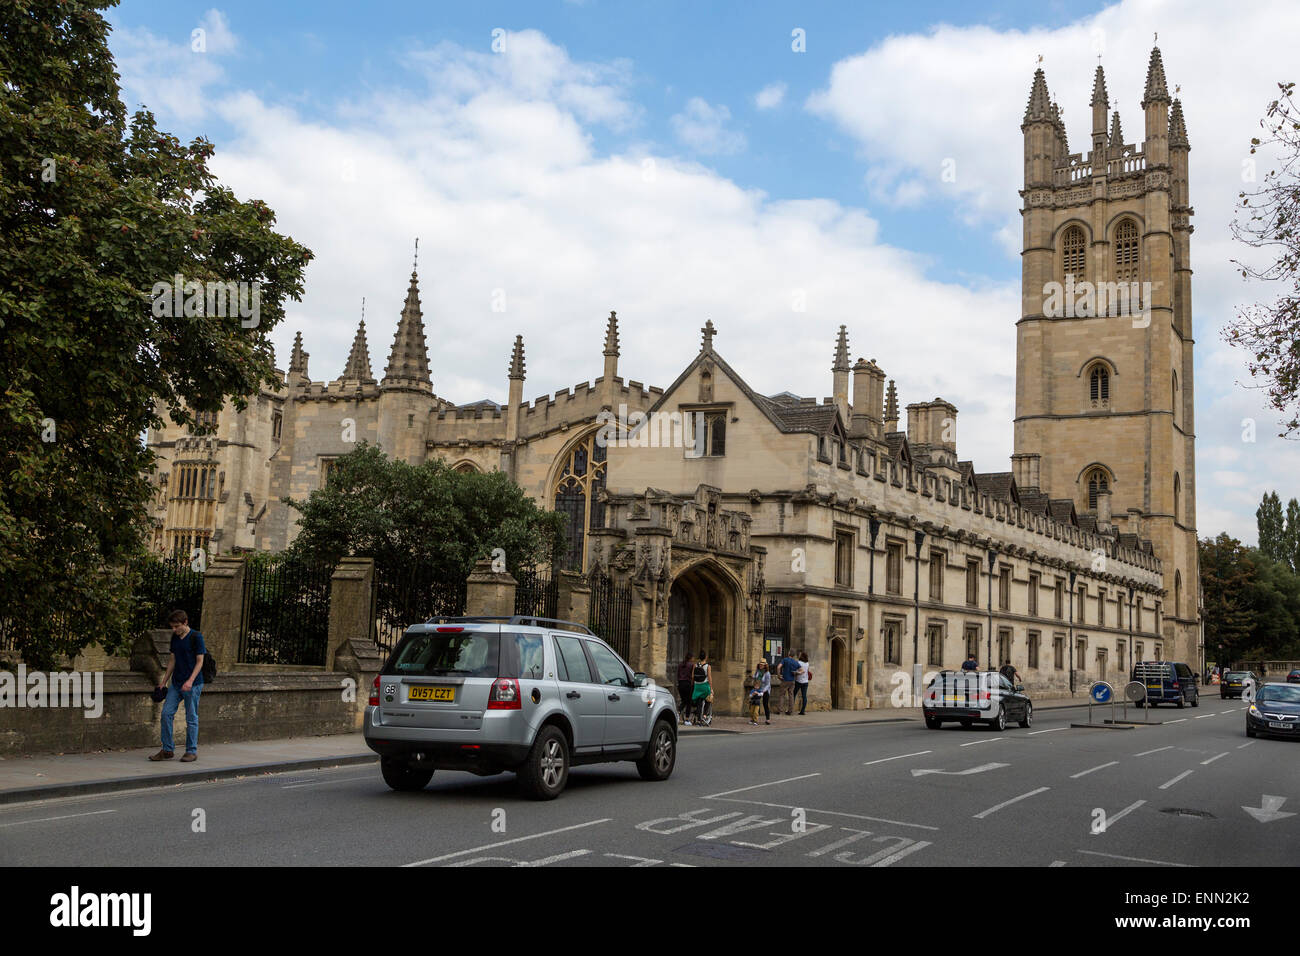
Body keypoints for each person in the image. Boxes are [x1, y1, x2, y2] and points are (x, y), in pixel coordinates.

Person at [150, 609, 206, 762]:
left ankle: (191, 751)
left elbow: (200, 661)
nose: (174, 630)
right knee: (166, 714)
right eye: (172, 627)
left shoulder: (196, 637)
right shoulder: (175, 638)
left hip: (193, 684)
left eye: (176, 626)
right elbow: (172, 660)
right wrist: (163, 682)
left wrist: (190, 681)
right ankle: (167, 749)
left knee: (191, 717)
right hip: (176, 683)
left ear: (185, 622)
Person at [691, 651, 712, 723]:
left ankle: (698, 719)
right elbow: (709, 678)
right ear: (706, 657)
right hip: (704, 686)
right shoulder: (708, 666)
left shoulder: (695, 665)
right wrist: (711, 688)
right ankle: (705, 715)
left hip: (697, 686)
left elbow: (693, 676)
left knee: (699, 702)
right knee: (708, 699)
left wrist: (693, 684)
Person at [778, 649, 800, 715]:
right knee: (791, 695)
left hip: (785, 680)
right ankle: (790, 711)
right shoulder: (796, 662)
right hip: (792, 681)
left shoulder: (785, 660)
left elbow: (778, 667)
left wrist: (779, 675)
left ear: (789, 653)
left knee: (782, 695)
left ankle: (780, 710)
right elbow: (802, 671)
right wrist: (796, 673)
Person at [749, 660, 771, 725]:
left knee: (765, 704)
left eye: (762, 665)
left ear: (765, 666)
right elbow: (755, 677)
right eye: (760, 664)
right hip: (758, 688)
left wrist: (763, 691)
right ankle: (755, 719)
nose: (760, 666)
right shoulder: (758, 671)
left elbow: (768, 684)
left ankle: (768, 719)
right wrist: (751, 677)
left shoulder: (767, 673)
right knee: (755, 703)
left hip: (765, 690)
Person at [677, 653, 695, 724]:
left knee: (684, 701)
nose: (693, 659)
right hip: (687, 684)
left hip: (680, 684)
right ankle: (687, 719)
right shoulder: (692, 665)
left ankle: (678, 712)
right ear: (691, 658)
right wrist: (692, 684)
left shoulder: (680, 664)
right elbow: (692, 676)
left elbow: (678, 675)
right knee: (689, 702)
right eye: (693, 658)